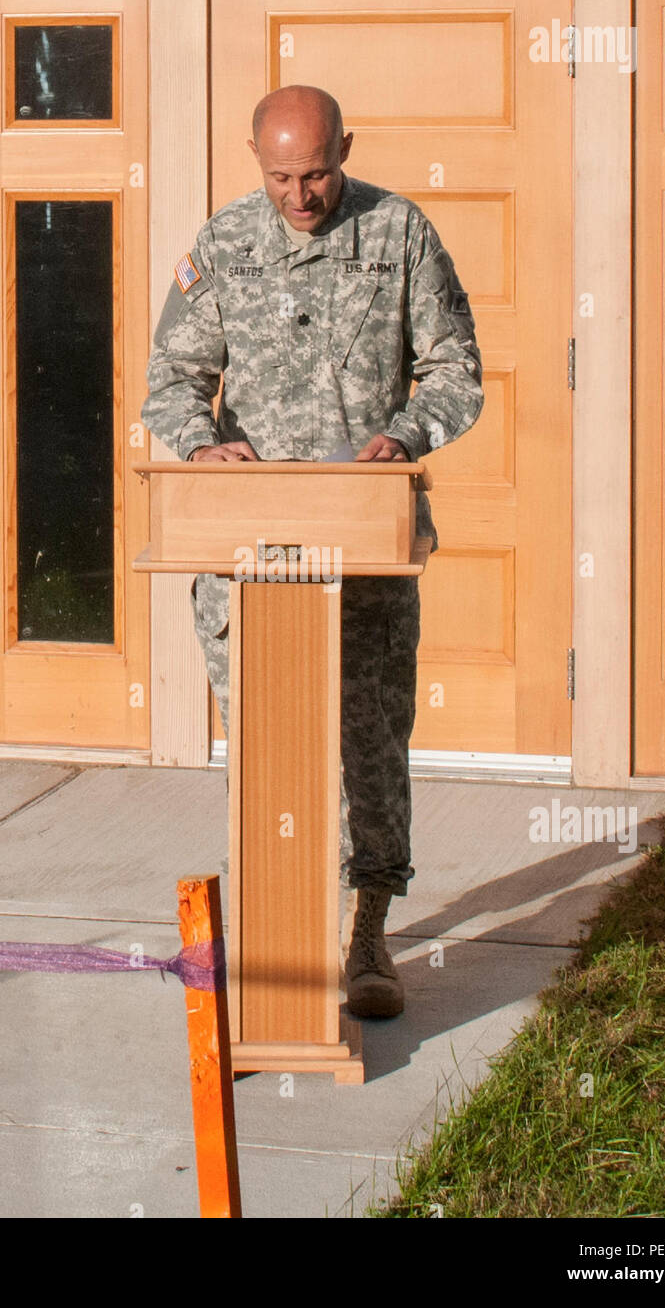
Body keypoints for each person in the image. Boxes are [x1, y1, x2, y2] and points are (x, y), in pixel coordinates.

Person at [141, 85, 483, 1018]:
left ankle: (368, 933)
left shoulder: (400, 234)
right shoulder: (223, 244)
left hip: (364, 544)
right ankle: (269, 942)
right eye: (282, 175)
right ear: (258, 161)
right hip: (246, 555)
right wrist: (201, 444)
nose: (301, 193)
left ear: (347, 147)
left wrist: (405, 436)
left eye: (319, 172)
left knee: (371, 740)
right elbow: (170, 380)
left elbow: (457, 370)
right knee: (264, 748)